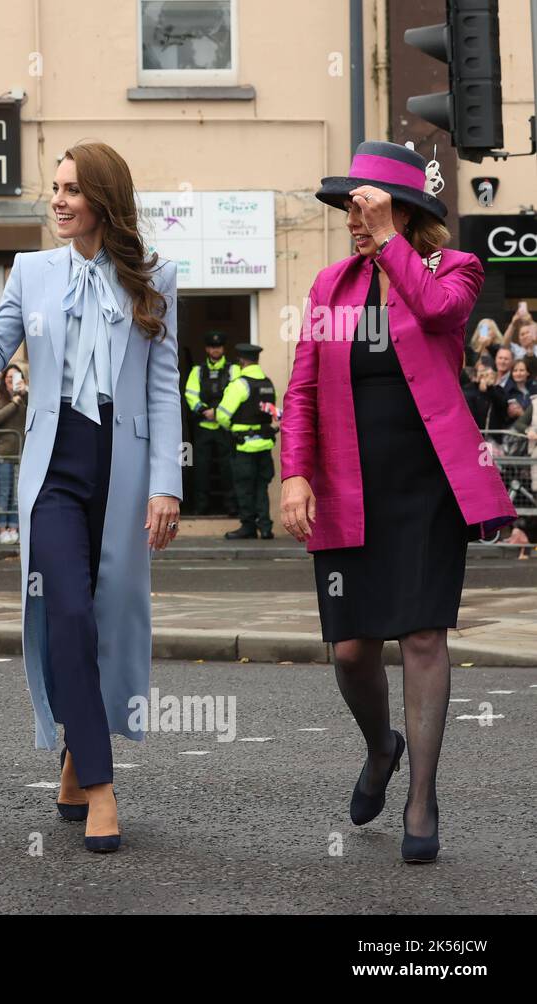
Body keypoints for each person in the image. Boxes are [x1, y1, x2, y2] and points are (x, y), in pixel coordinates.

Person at [0, 140, 182, 854]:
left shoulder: (156, 276)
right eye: (56, 188)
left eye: (72, 189)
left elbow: (162, 388)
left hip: (125, 466)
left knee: (111, 615)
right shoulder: (33, 273)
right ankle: (100, 786)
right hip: (55, 466)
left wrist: (167, 483)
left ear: (104, 199)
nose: (60, 201)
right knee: (65, 609)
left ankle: (78, 751)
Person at [280, 140, 515, 864]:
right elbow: (303, 390)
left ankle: (422, 795)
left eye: (366, 205)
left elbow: (441, 313)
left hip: (428, 486)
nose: (353, 218)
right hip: (349, 484)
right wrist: (294, 473)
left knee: (422, 637)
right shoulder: (328, 288)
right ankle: (381, 746)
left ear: (403, 211)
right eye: (349, 207)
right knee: (352, 650)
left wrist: (389, 245)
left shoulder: (454, 268)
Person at [217, 342, 276, 539]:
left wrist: (230, 429)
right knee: (262, 486)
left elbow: (222, 415)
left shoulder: (240, 385)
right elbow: (271, 413)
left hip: (244, 446)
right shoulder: (268, 383)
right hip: (265, 445)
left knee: (244, 487)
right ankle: (266, 527)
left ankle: (248, 527)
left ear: (241, 361)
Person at [184, 329, 239, 515]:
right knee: (202, 469)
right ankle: (201, 506)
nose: (216, 350)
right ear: (207, 349)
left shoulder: (233, 369)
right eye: (212, 347)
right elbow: (190, 393)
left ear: (223, 348)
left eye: (218, 347)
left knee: (228, 469)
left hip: (225, 427)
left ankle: (231, 507)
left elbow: (236, 393)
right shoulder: (197, 371)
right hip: (203, 427)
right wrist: (203, 410)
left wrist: (219, 412)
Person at [0, 364, 27, 542]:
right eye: (9, 377)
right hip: (2, 453)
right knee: (3, 492)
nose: (12, 380)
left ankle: (14, 527)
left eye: (16, 376)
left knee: (19, 494)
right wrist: (13, 403)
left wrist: (26, 394)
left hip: (22, 452)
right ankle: (2, 529)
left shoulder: (26, 395)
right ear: (4, 379)